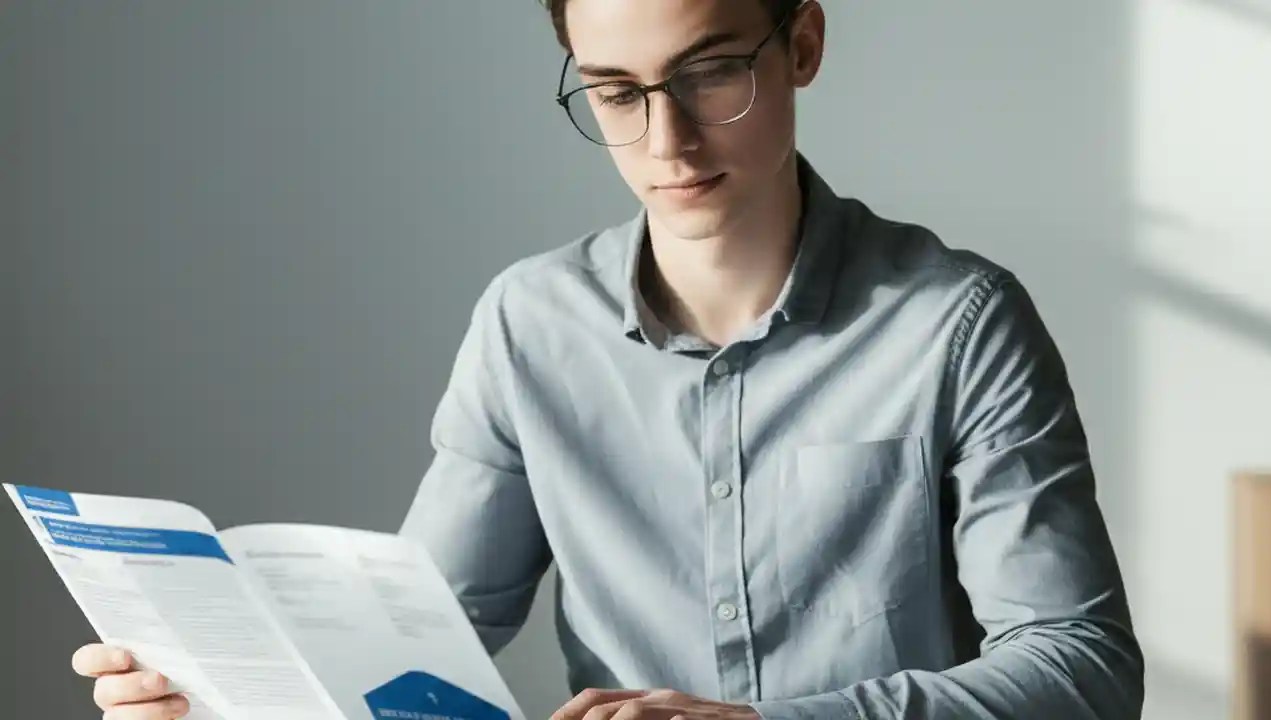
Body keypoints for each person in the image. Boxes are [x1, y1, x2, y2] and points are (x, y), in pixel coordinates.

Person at [71, 1, 1144, 718]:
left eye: (710, 73)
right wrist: (217, 696)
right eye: (615, 93)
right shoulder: (527, 323)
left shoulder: (956, 321)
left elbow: (1079, 665)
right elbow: (409, 653)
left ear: (801, 43)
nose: (665, 141)